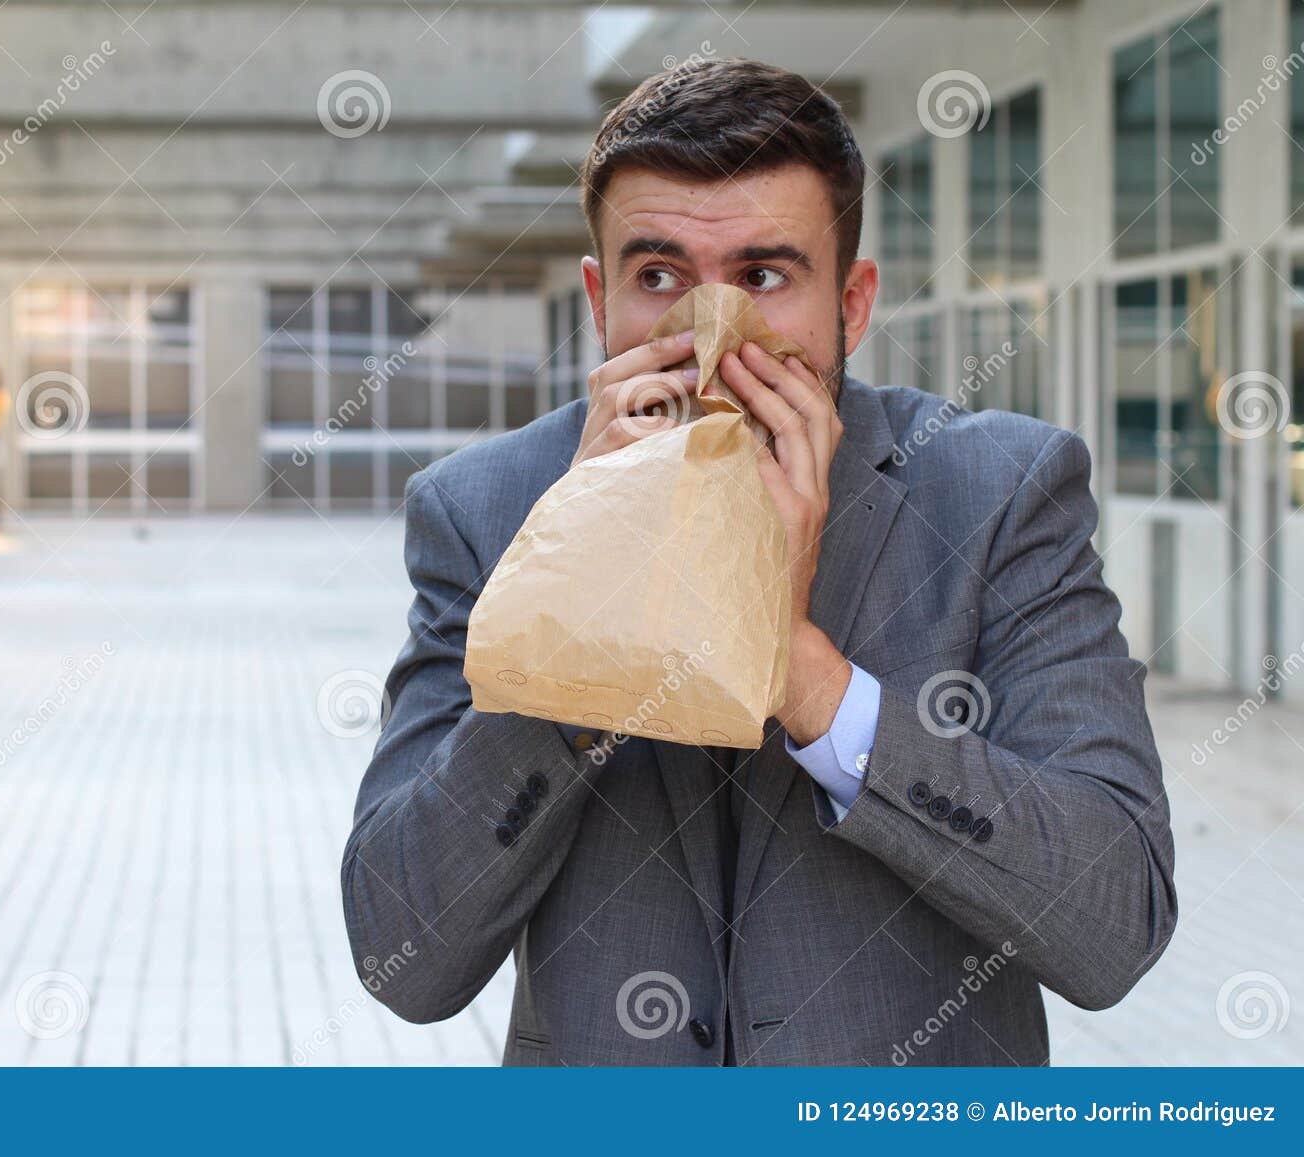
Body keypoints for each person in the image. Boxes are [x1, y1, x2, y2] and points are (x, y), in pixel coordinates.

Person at [340, 58, 1175, 1066]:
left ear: (852, 305)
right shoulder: (487, 506)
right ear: (600, 300)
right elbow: (403, 955)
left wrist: (800, 671)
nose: (709, 331)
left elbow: (1113, 917)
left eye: (763, 276)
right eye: (659, 276)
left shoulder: (996, 493)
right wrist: (582, 613)